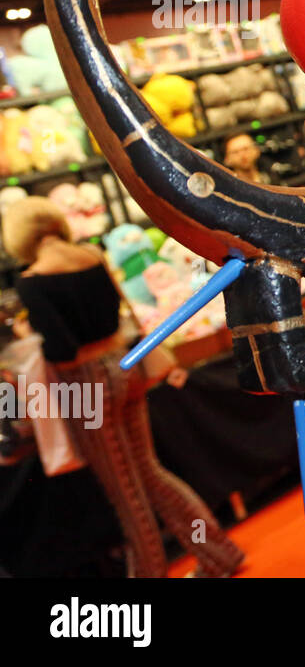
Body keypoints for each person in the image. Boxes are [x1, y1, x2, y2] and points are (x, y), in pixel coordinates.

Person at [6, 196, 243, 577]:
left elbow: (62, 351)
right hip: (124, 366)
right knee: (149, 473)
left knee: (125, 492)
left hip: (85, 385)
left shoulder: (33, 281)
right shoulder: (93, 258)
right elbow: (121, 320)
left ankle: (148, 573)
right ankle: (219, 553)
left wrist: (26, 332)